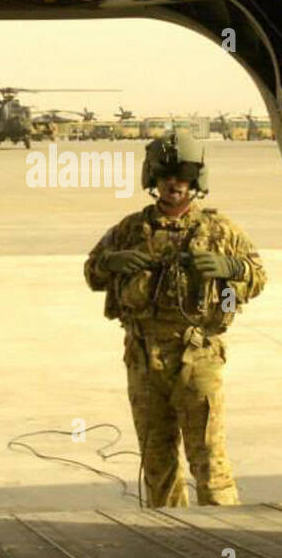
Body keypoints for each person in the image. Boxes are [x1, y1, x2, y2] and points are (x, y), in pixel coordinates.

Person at [84, 129, 265, 507]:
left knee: (209, 460)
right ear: (153, 179)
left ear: (196, 182)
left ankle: (228, 542)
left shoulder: (220, 231)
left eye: (182, 177)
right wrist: (110, 262)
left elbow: (257, 277)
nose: (174, 185)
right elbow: (92, 274)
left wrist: (228, 267)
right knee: (156, 461)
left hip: (197, 355)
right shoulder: (129, 230)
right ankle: (169, 533)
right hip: (144, 356)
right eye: (166, 176)